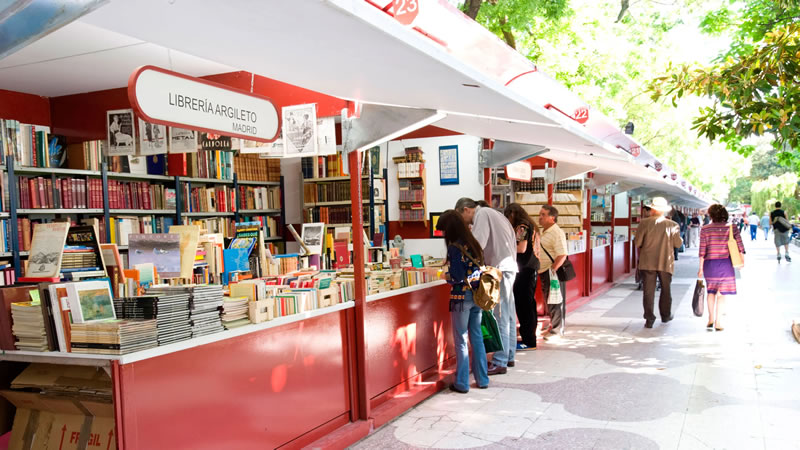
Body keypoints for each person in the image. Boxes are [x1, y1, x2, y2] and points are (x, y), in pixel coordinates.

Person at [455, 198, 517, 375]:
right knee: (509, 313)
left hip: (499, 269)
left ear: (467, 210)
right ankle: (509, 354)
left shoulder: (482, 214)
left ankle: (500, 360)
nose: (464, 222)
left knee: (500, 316)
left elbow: (477, 245)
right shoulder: (495, 213)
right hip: (509, 266)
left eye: (462, 217)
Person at [436, 210, 489, 393]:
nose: (443, 234)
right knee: (476, 337)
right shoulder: (473, 242)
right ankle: (482, 379)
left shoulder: (454, 247)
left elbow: (456, 277)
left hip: (461, 298)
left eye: (443, 230)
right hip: (477, 296)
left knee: (460, 339)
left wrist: (436, 273)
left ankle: (462, 382)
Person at [634, 197, 683, 328]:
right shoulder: (673, 225)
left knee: (648, 291)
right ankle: (665, 315)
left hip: (647, 262)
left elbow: (638, 243)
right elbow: (678, 244)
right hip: (665, 262)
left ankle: (649, 319)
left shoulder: (644, 223)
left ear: (653, 209)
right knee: (666, 290)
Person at [698, 204, 745, 331]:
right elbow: (740, 246)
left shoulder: (705, 229)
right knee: (721, 294)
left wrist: (701, 268)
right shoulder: (732, 228)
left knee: (711, 291)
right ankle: (718, 322)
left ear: (711, 215)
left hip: (710, 264)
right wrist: (741, 262)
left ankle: (710, 318)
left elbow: (702, 250)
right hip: (726, 264)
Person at [504, 203, 540, 351]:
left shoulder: (522, 226)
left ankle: (528, 340)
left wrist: (505, 246)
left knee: (524, 305)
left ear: (513, 213)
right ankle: (529, 338)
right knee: (529, 305)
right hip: (531, 268)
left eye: (508, 216)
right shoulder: (530, 224)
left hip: (525, 269)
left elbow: (521, 247)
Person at [537, 205, 569, 339]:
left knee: (555, 301)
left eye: (543, 215)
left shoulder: (556, 232)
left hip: (552, 273)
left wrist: (553, 270)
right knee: (549, 300)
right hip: (544, 271)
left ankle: (557, 330)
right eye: (540, 214)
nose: (540, 217)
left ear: (552, 218)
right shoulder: (545, 231)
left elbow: (562, 254)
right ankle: (553, 326)